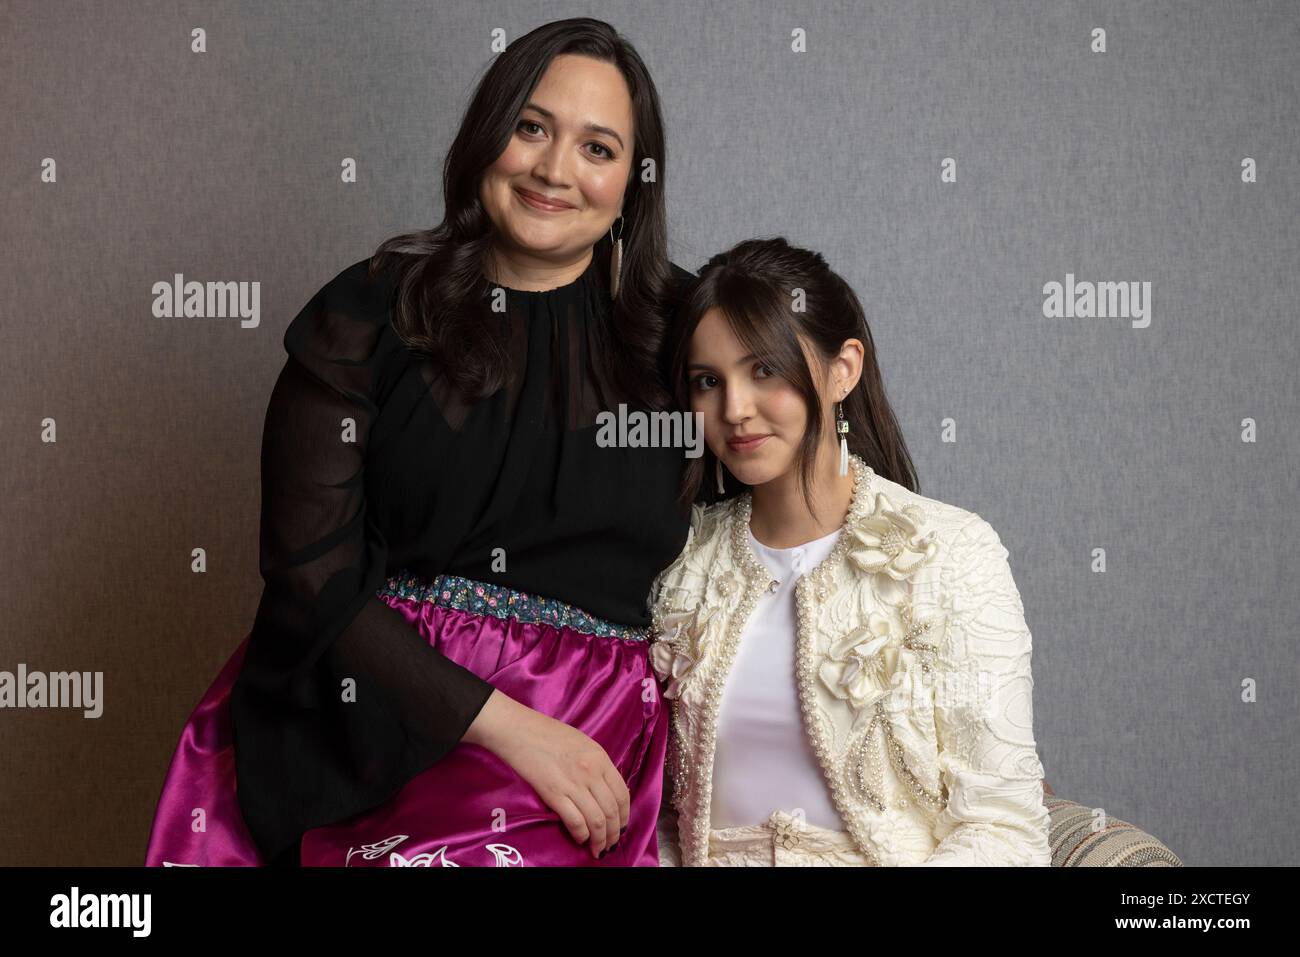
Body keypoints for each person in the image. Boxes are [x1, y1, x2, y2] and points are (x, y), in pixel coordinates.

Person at [146, 18, 696, 868]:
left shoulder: (686, 336)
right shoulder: (369, 312)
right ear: (488, 135)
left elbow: (802, 483)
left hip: (596, 728)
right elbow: (309, 574)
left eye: (598, 148)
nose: (555, 170)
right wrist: (516, 732)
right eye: (532, 127)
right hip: (371, 713)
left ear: (634, 182)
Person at [649, 237, 1053, 866]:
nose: (734, 410)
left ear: (843, 369)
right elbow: (663, 824)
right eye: (708, 381)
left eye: (764, 370)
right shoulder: (681, 559)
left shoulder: (950, 552)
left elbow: (1003, 829)